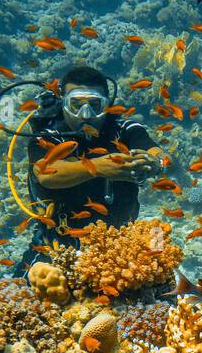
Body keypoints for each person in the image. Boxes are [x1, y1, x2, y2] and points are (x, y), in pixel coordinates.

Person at [24, 65, 165, 261]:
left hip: (122, 242)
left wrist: (156, 163)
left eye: (94, 105)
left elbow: (160, 155)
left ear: (107, 105)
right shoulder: (47, 137)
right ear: (62, 104)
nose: (85, 114)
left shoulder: (124, 130)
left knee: (161, 262)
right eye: (76, 105)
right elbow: (45, 174)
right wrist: (98, 167)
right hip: (58, 246)